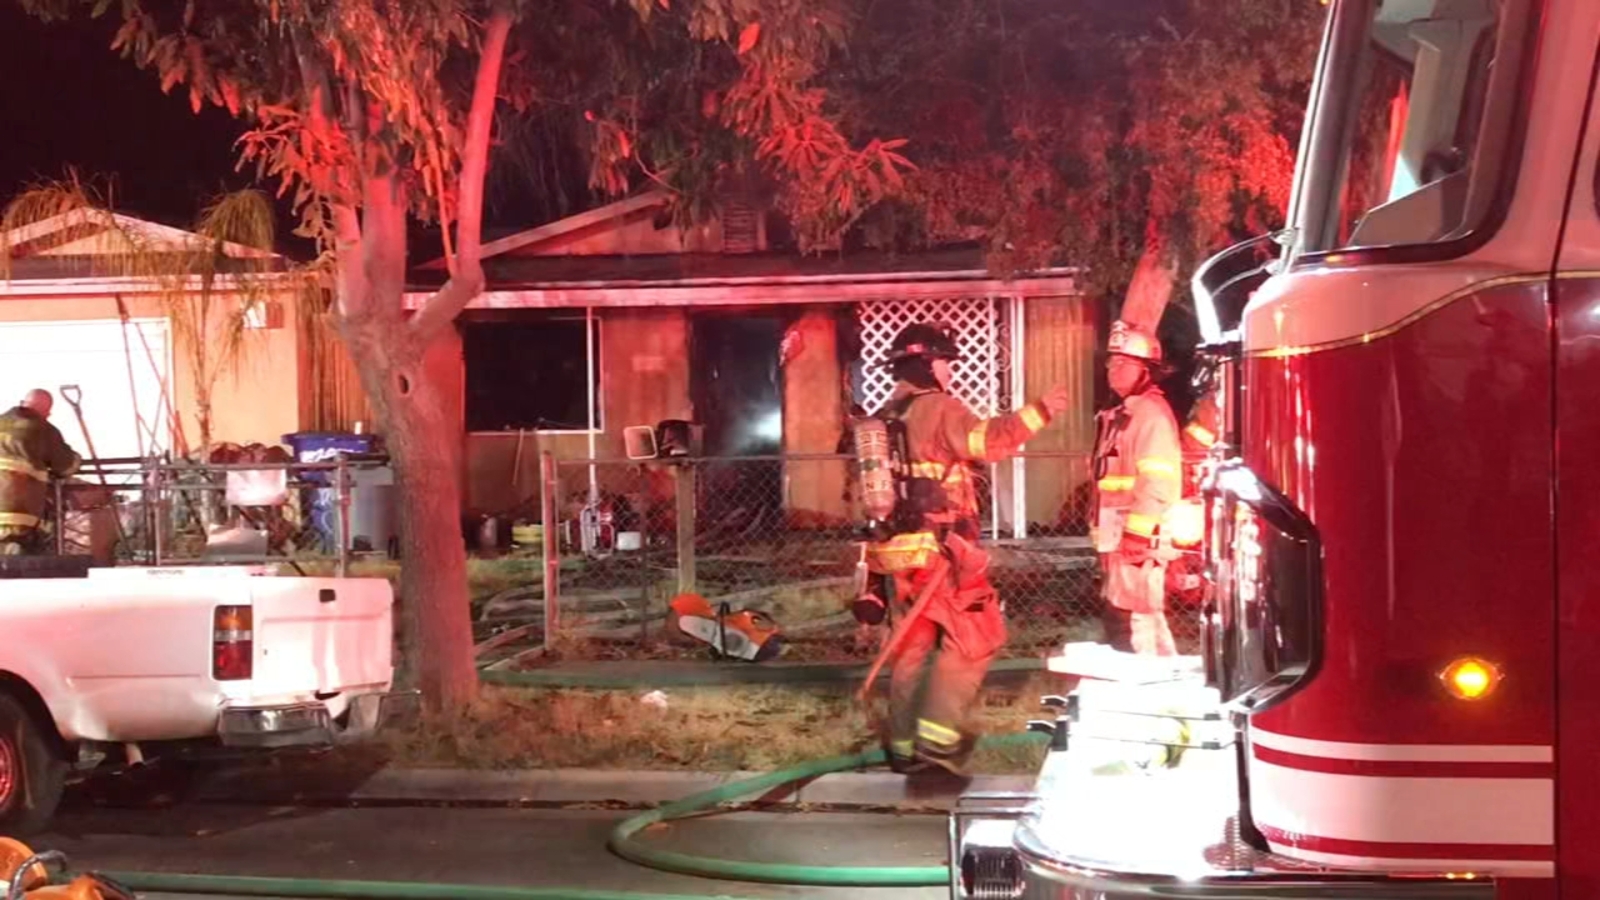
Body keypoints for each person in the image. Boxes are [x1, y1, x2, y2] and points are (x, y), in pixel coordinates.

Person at [859, 322, 1069, 775]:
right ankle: (937, 740)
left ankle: (902, 749)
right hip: (941, 554)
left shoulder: (887, 414)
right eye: (945, 362)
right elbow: (985, 442)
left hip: (896, 556)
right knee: (976, 636)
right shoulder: (939, 408)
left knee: (910, 652)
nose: (949, 371)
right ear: (928, 365)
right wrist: (1039, 412)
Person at [1092, 321, 1183, 656]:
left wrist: (1137, 535)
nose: (1113, 371)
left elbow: (1158, 481)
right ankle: (1159, 678)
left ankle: (1151, 679)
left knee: (1136, 622)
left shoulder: (1150, 416)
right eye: (1111, 363)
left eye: (1123, 363)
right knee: (1135, 618)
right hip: (1122, 540)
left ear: (1146, 370)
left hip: (1137, 541)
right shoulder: (1124, 414)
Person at [0, 390, 84, 556]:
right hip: (17, 512)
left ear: (22, 403)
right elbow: (65, 466)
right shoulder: (44, 430)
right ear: (46, 412)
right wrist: (77, 459)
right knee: (18, 554)